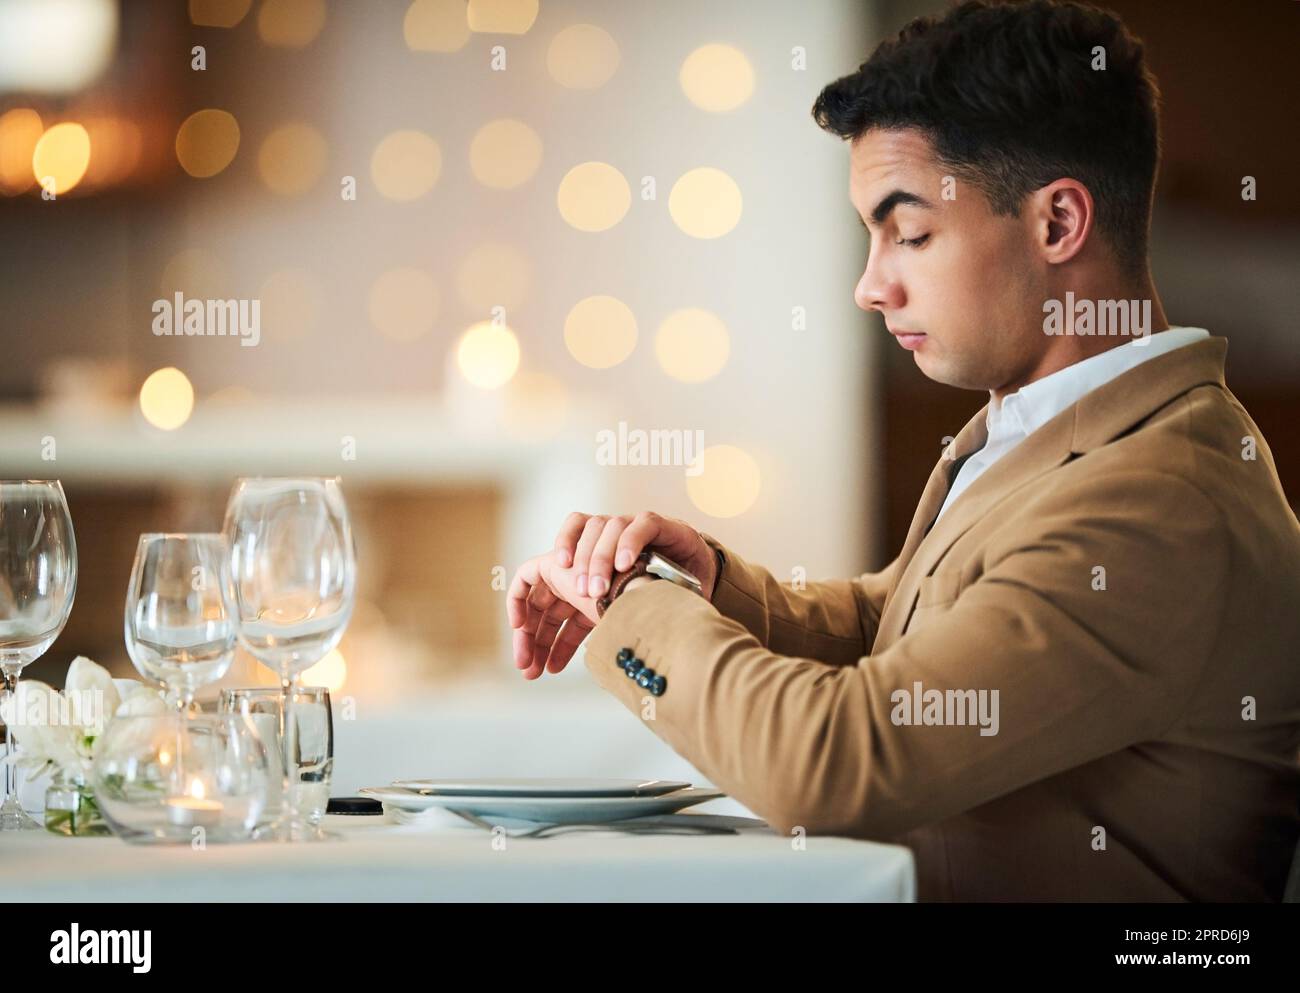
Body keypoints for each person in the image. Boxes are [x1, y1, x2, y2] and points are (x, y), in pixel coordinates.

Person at [507, 0, 1300, 901]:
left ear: (1057, 224)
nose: (870, 285)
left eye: (909, 231)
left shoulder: (1162, 499)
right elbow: (906, 626)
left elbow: (833, 764)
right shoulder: (1054, 428)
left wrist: (627, 606)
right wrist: (718, 590)